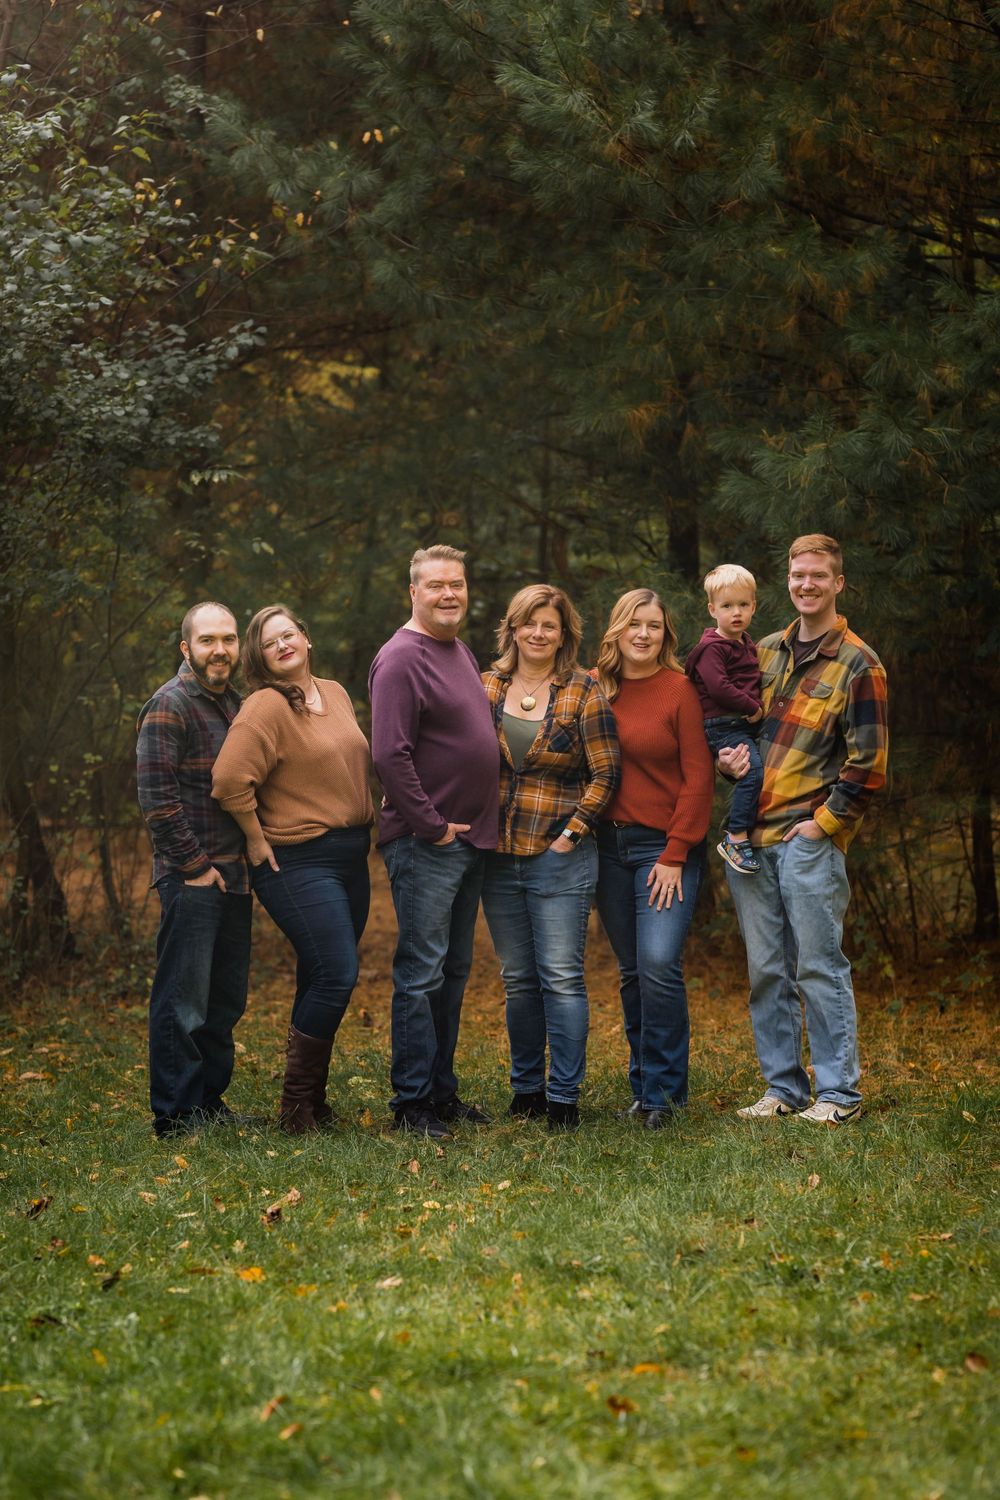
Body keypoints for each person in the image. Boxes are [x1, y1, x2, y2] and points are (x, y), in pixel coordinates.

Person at [720, 534, 888, 1127]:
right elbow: (732, 724)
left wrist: (824, 825)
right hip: (749, 841)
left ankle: (839, 1094)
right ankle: (783, 1089)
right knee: (767, 971)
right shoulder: (761, 650)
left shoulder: (859, 662)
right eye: (797, 575)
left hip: (806, 839)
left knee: (818, 965)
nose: (806, 584)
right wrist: (727, 760)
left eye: (818, 575)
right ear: (787, 580)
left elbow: (868, 763)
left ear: (838, 583)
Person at [212, 604, 374, 1134]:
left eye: (288, 635)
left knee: (319, 975)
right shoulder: (265, 706)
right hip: (298, 859)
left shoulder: (336, 692)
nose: (281, 645)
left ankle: (312, 1104)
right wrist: (255, 840)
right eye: (268, 642)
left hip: (351, 856)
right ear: (260, 658)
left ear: (306, 638)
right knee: (338, 973)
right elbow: (229, 780)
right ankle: (295, 1106)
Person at [369, 545, 500, 1141]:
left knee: (452, 971)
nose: (450, 594)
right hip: (428, 844)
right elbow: (388, 753)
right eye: (437, 586)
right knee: (421, 973)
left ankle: (441, 1091)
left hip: (468, 842)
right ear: (414, 592)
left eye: (458, 584)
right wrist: (431, 824)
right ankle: (412, 1103)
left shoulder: (459, 651)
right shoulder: (401, 658)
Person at [481, 584, 620, 1131]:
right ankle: (526, 1091)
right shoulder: (485, 685)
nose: (539, 634)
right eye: (529, 623)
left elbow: (606, 772)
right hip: (496, 854)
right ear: (512, 627)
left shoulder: (584, 691)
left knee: (560, 976)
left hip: (560, 856)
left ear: (564, 635)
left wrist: (574, 831)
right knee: (517, 978)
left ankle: (564, 1097)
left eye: (551, 626)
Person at [594, 589, 715, 1129]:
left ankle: (666, 1096)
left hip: (663, 850)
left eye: (655, 626)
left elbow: (699, 777)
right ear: (616, 629)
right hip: (605, 849)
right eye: (634, 624)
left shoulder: (679, 691)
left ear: (667, 635)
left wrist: (675, 852)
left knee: (659, 965)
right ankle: (642, 1088)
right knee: (632, 971)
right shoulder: (594, 688)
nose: (644, 634)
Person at [137, 601, 255, 1138]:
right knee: (182, 1000)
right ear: (186, 647)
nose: (221, 650)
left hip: (236, 877)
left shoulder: (236, 704)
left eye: (228, 640)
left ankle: (209, 1101)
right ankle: (176, 1114)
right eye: (208, 640)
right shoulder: (170, 705)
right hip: (194, 877)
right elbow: (158, 800)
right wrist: (195, 868)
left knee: (224, 1000)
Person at [685, 564, 764, 875]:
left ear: (753, 606)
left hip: (739, 722)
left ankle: (749, 829)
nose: (736, 612)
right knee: (752, 772)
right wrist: (752, 708)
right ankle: (735, 836)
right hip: (722, 724)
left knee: (760, 768)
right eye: (727, 606)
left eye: (743, 605)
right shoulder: (711, 649)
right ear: (712, 609)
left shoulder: (745, 643)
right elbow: (719, 688)